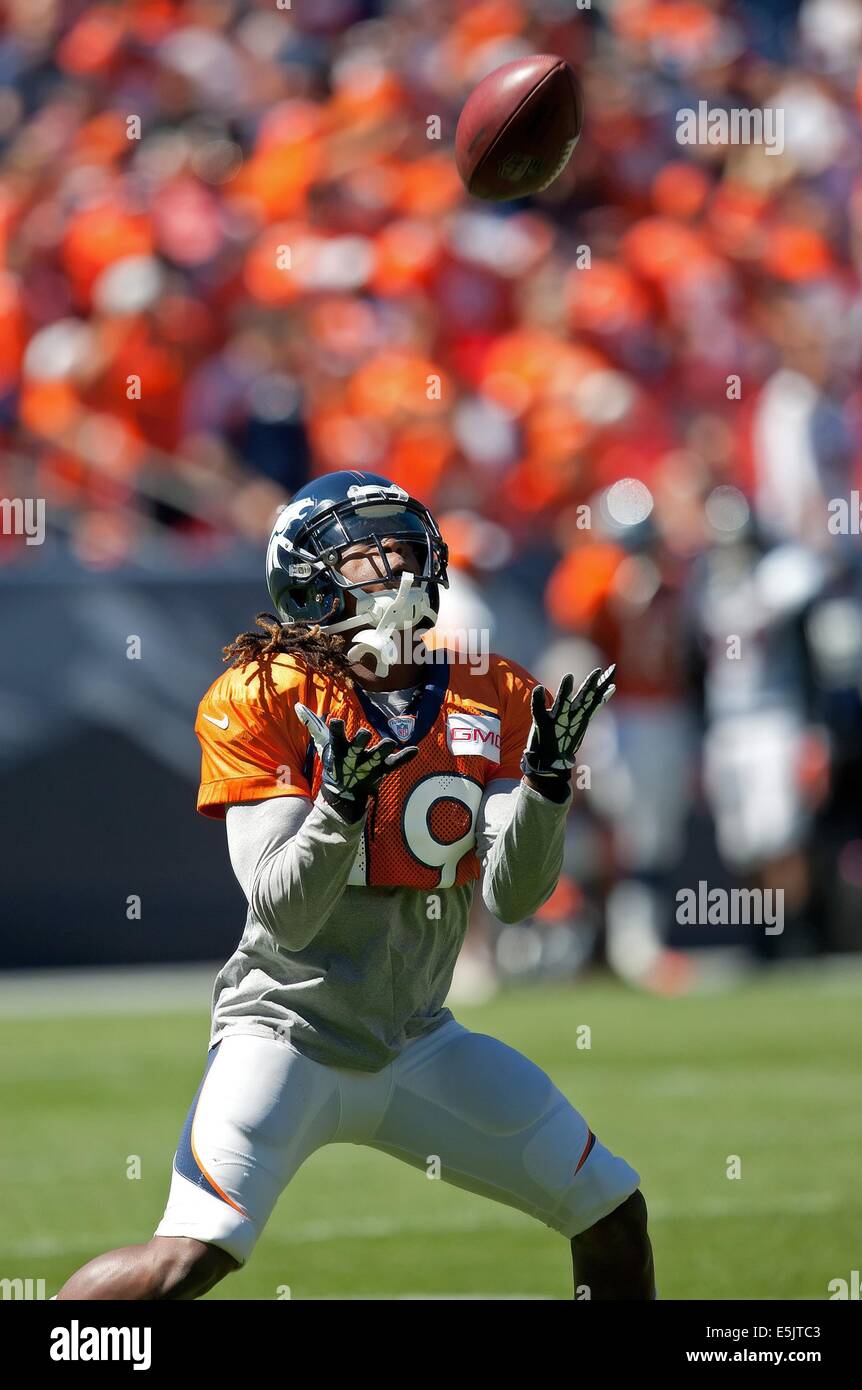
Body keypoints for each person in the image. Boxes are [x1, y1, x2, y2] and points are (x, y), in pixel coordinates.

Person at [56, 470, 655, 1301]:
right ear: (308, 580)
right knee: (191, 1254)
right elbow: (284, 910)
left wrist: (547, 794)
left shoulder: (490, 690)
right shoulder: (266, 694)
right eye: (370, 556)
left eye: (406, 549)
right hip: (287, 1030)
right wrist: (337, 806)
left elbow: (514, 900)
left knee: (611, 1211)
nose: (401, 571)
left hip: (417, 1036)